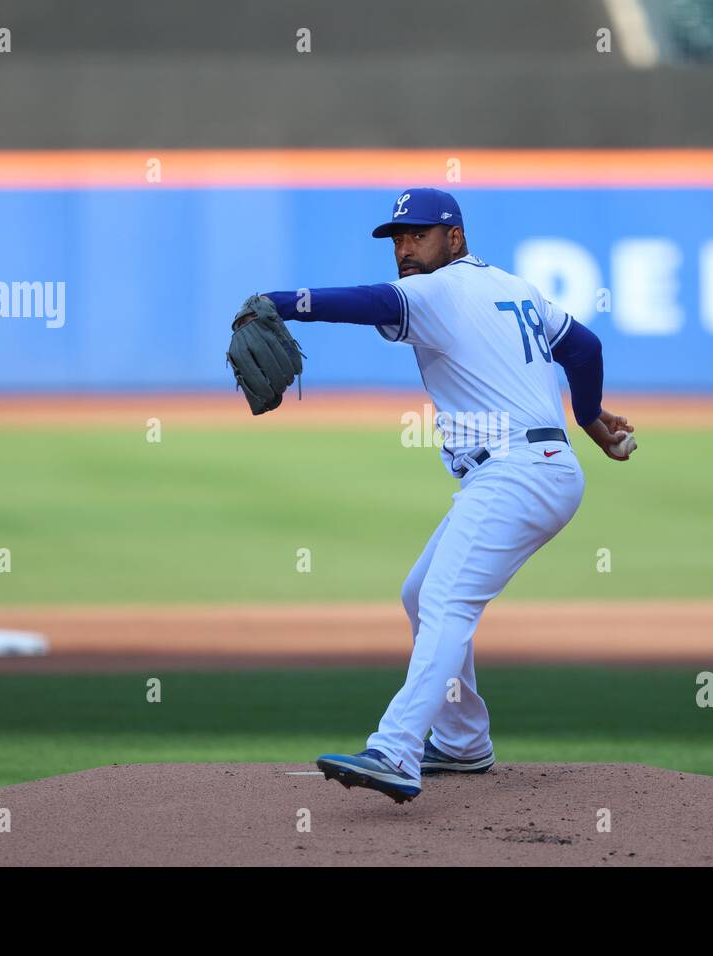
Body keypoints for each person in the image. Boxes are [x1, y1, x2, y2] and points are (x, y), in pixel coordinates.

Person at [259, 187, 634, 802]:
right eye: (398, 238)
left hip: (519, 470)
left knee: (444, 601)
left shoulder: (436, 290)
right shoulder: (515, 287)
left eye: (419, 234)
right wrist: (591, 421)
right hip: (535, 466)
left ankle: (396, 749)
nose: (405, 247)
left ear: (453, 238)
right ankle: (462, 744)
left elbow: (363, 302)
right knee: (420, 594)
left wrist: (279, 303)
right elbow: (584, 347)